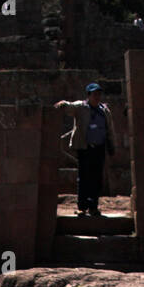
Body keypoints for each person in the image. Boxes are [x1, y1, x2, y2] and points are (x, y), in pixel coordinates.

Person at [54, 83, 116, 218]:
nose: (97, 97)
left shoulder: (104, 111)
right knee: (84, 178)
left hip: (99, 148)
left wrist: (112, 145)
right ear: (89, 95)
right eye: (94, 94)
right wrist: (63, 104)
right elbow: (69, 107)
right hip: (85, 147)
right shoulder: (81, 107)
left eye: (99, 94)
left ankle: (93, 207)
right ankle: (82, 207)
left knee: (97, 178)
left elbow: (110, 129)